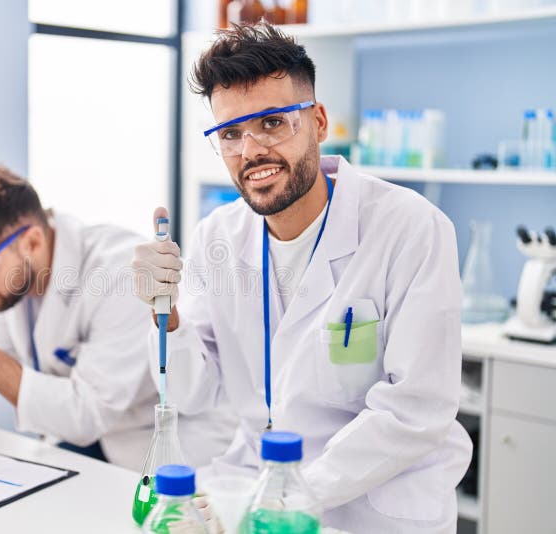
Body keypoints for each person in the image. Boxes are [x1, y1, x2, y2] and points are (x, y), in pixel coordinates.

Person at [132, 23, 471, 533]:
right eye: (230, 134)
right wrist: (167, 314)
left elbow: (415, 410)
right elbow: (195, 394)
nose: (251, 151)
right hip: (257, 495)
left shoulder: (410, 228)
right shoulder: (216, 236)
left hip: (376, 510)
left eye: (272, 123)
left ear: (317, 121)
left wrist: (290, 496)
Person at [0, 166, 235, 470]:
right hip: (101, 441)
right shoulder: (12, 284)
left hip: (174, 449)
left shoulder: (118, 274)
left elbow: (85, 414)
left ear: (30, 241)